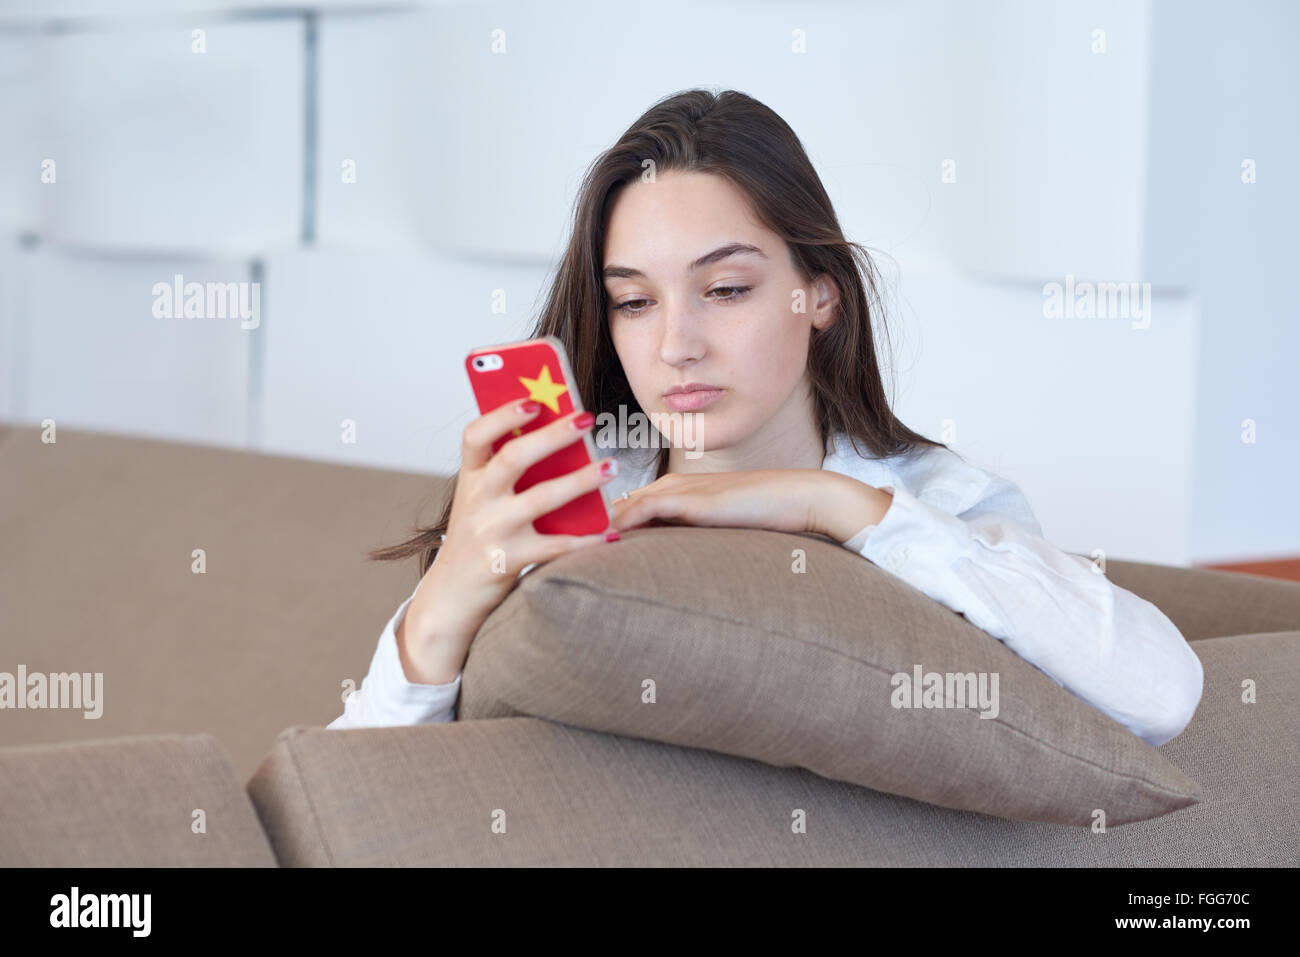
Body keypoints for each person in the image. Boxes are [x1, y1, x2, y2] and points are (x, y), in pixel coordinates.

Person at [328, 88, 1203, 747]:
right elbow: (359, 794)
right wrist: (439, 607)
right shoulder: (574, 486)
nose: (677, 344)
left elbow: (1161, 692)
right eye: (633, 302)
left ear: (817, 293)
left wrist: (833, 505)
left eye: (726, 290)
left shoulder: (930, 501)